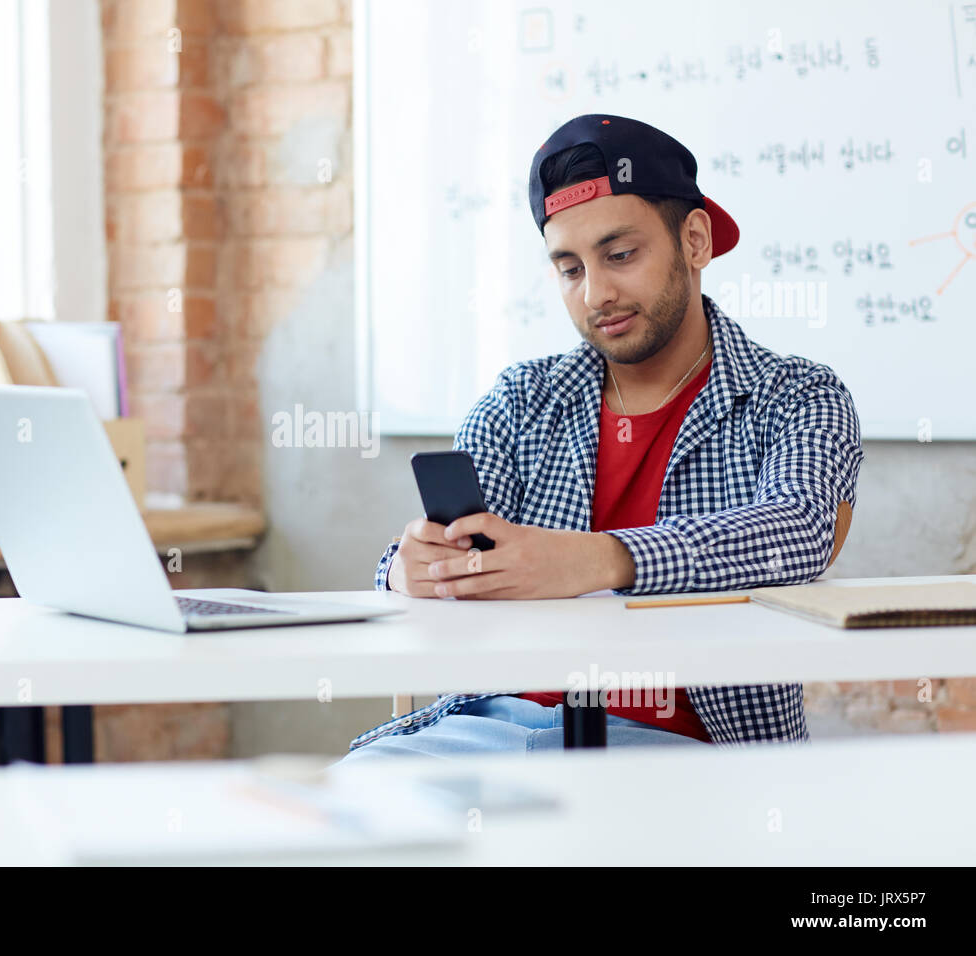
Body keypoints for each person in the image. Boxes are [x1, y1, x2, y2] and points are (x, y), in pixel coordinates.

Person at [338, 114, 864, 765]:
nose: (597, 294)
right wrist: (408, 567)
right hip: (488, 727)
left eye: (620, 255)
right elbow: (455, 553)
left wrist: (600, 560)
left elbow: (797, 529)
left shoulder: (797, 396)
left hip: (685, 756)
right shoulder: (520, 401)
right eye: (569, 268)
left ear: (694, 240)